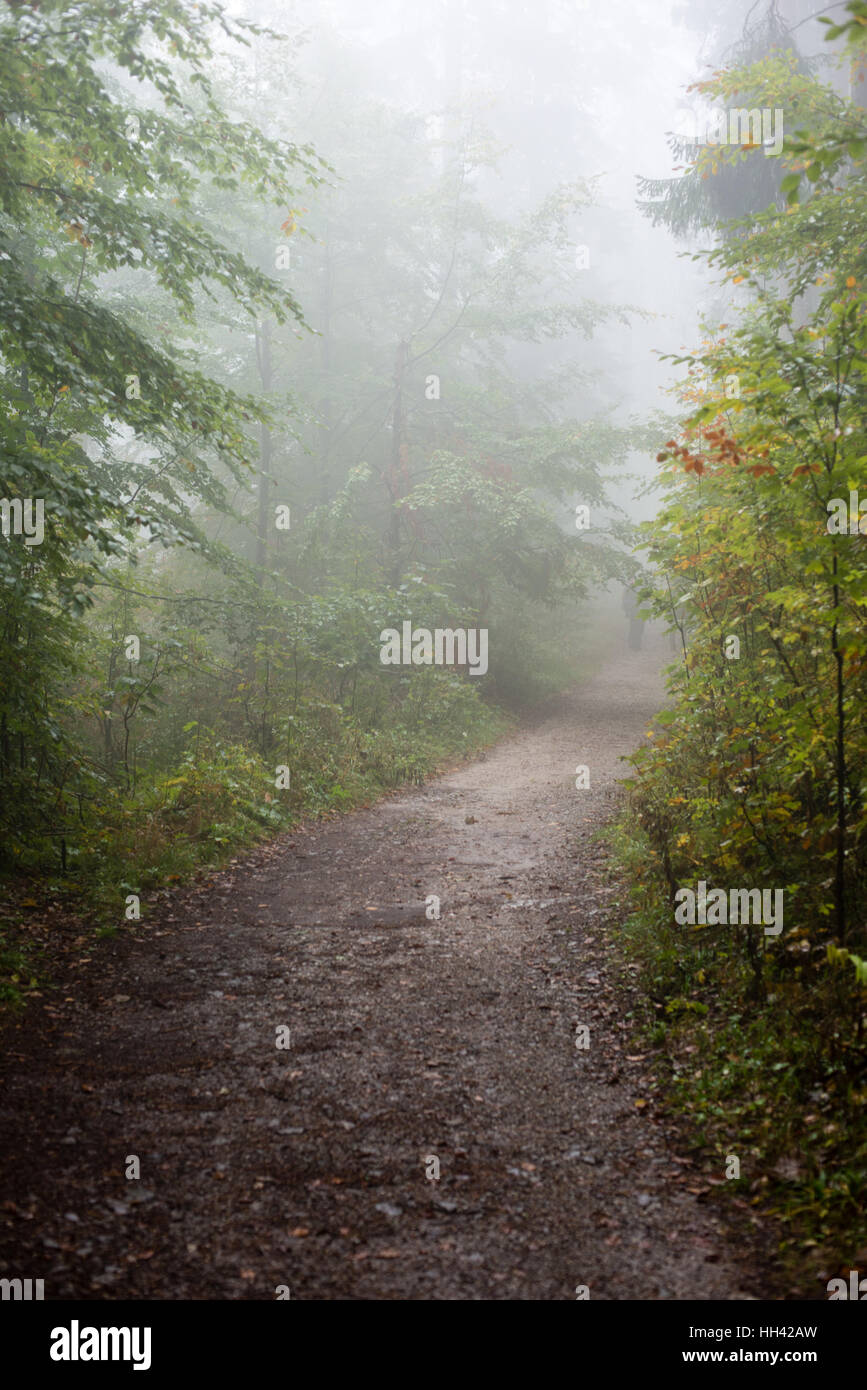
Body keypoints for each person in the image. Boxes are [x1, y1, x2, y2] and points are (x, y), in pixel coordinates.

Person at [621, 586, 644, 651]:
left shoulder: (642, 587)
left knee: (640, 628)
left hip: (641, 611)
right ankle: (634, 645)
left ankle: (635, 644)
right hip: (633, 611)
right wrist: (627, 610)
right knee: (634, 627)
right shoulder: (627, 588)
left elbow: (646, 600)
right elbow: (624, 600)